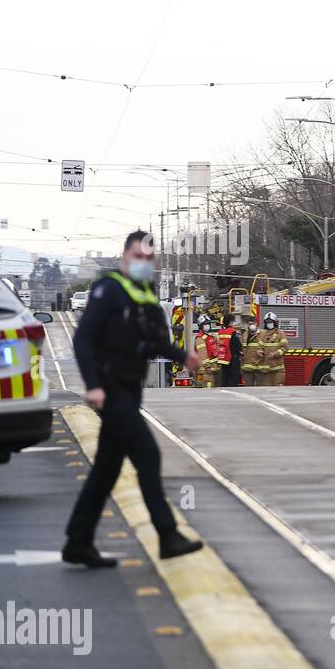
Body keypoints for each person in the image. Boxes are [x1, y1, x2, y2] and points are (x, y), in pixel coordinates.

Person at [63, 230, 204, 568]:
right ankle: (167, 535)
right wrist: (93, 385)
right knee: (148, 455)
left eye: (148, 258)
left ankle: (77, 543)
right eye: (137, 257)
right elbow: (82, 340)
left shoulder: (144, 295)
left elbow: (153, 342)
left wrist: (182, 356)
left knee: (106, 470)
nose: (143, 263)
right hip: (110, 390)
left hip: (130, 389)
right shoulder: (108, 290)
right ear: (125, 256)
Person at [257, 313, 288, 386]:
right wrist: (259, 351)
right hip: (265, 369)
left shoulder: (280, 334)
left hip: (277, 369)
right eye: (267, 322)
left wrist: (275, 354)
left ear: (275, 323)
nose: (269, 324)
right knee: (266, 389)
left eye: (270, 322)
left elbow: (285, 348)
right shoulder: (262, 333)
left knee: (278, 388)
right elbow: (260, 346)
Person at [218, 316, 243, 387]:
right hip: (232, 359)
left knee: (224, 378)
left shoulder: (220, 332)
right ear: (230, 322)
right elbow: (237, 346)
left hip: (223, 360)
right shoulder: (233, 332)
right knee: (233, 379)